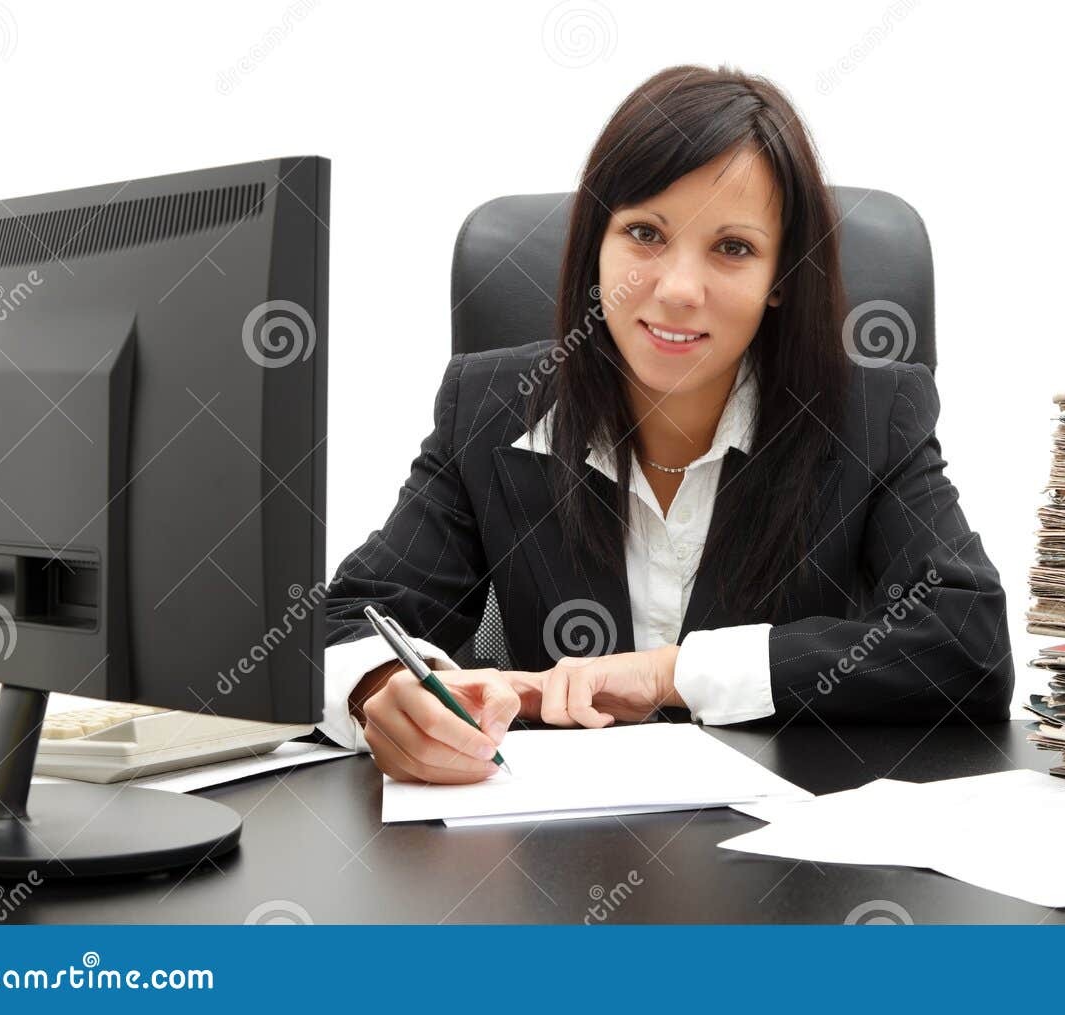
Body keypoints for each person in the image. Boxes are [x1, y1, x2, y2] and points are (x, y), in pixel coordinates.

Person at [317, 64, 1013, 784]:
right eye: (645, 233)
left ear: (781, 278)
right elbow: (344, 622)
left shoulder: (872, 415)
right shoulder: (491, 408)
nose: (679, 290)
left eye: (733, 248)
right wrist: (385, 690)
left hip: (790, 868)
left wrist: (673, 673)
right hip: (555, 861)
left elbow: (968, 642)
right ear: (596, 247)